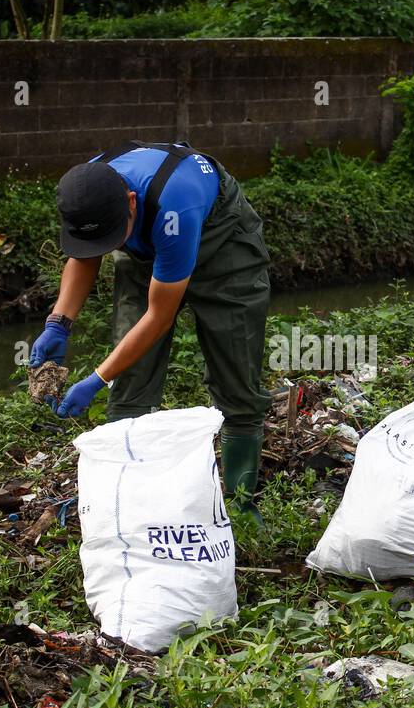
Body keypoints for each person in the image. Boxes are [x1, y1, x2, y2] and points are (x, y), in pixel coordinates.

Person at [29, 140, 270, 518]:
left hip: (221, 242)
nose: (106, 246)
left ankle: (241, 504)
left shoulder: (177, 202)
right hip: (147, 246)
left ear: (129, 202)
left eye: (112, 237)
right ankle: (128, 502)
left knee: (235, 372)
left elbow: (160, 317)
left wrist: (96, 379)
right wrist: (58, 323)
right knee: (131, 381)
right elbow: (84, 254)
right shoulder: (87, 189)